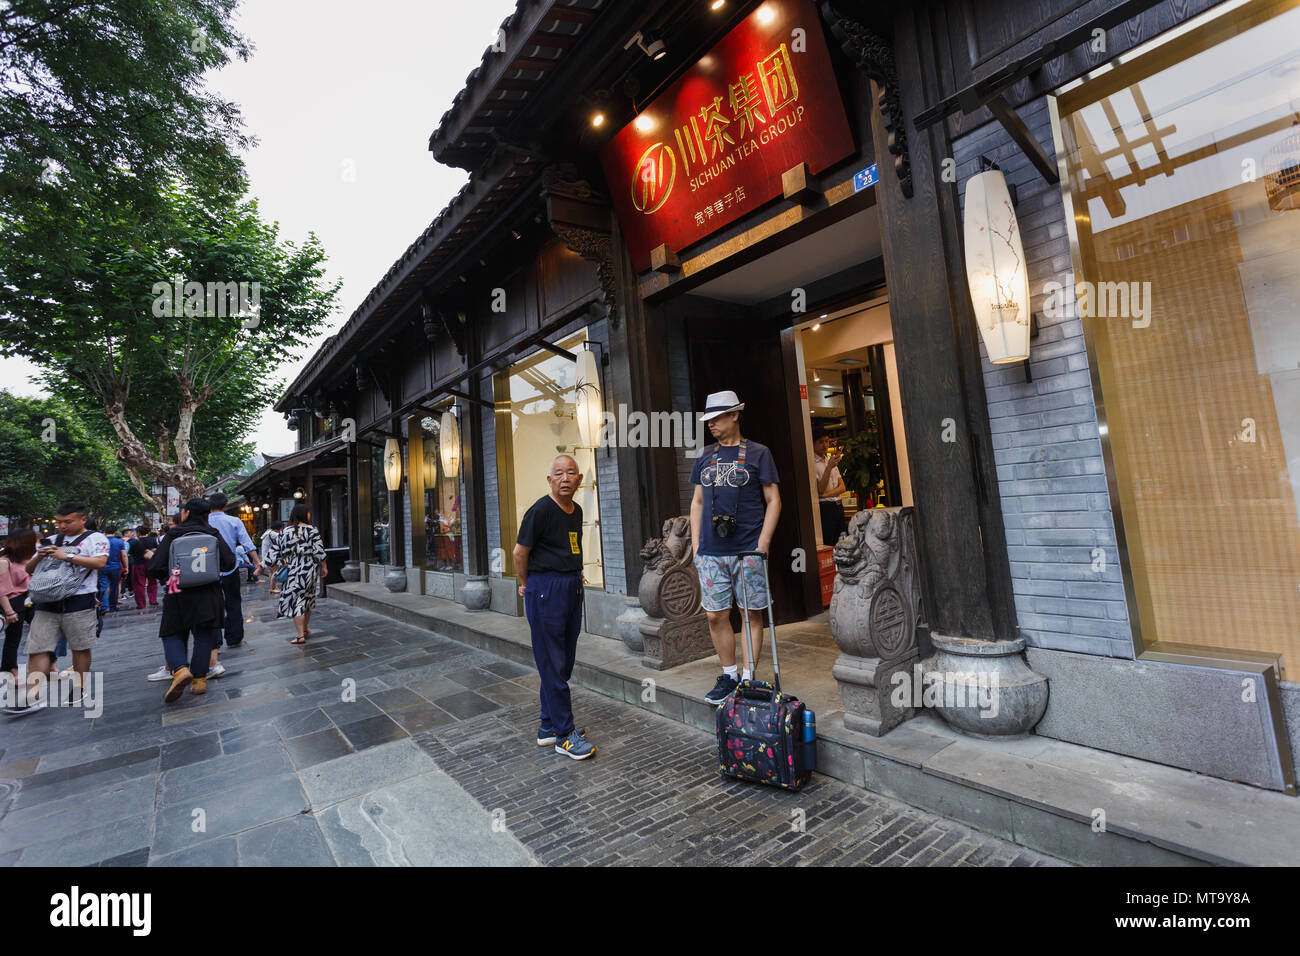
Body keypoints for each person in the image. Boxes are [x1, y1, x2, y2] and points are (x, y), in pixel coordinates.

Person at [689, 390, 782, 705]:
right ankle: (729, 674)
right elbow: (698, 501)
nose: (711, 424)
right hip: (711, 552)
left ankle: (748, 677)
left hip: (749, 550)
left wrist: (763, 543)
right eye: (708, 420)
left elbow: (773, 500)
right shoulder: (704, 455)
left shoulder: (759, 453)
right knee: (716, 615)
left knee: (751, 613)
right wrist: (696, 542)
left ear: (734, 415)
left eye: (716, 418)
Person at [513, 455, 595, 761]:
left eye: (570, 473)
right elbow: (520, 552)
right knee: (552, 662)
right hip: (545, 588)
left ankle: (548, 727)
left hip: (571, 586)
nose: (564, 478)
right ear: (549, 480)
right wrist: (525, 584)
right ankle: (564, 735)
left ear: (578, 479)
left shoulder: (576, 510)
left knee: (563, 662)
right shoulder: (540, 510)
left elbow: (572, 545)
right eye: (558, 473)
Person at [4, 502, 108, 715]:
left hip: (79, 599)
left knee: (80, 646)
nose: (62, 526)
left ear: (82, 519)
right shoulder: (50, 540)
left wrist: (66, 556)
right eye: (59, 522)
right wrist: (40, 556)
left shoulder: (96, 539)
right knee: (38, 646)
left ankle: (79, 688)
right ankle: (33, 695)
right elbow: (29, 569)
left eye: (67, 522)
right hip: (46, 601)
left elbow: (99, 563)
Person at [146, 498, 236, 703]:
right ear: (206, 515)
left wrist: (168, 574)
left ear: (186, 513)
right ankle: (199, 680)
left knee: (172, 632)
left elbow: (154, 567)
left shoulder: (174, 534)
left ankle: (179, 670)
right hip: (208, 592)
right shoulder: (212, 533)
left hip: (177, 590)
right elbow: (229, 561)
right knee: (204, 634)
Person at [263, 503, 326, 645]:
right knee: (308, 598)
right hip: (309, 568)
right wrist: (324, 567)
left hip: (293, 568)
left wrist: (261, 567)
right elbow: (319, 551)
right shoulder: (312, 530)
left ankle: (300, 635)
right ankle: (304, 628)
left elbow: (274, 551)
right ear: (305, 515)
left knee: (297, 600)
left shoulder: (285, 532)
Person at [206, 491, 260, 654]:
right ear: (226, 504)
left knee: (210, 605)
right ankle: (234, 637)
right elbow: (247, 543)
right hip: (230, 568)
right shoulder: (234, 521)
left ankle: (214, 641)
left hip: (208, 569)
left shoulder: (203, 521)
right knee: (233, 603)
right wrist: (257, 562)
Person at [0, 530, 37, 690]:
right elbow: (2, 590)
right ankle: (10, 673)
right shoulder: (4, 561)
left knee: (42, 632)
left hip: (28, 599)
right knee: (13, 638)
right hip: (13, 602)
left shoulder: (25, 559)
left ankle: (49, 665)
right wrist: (9, 612)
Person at [813, 428, 847, 546]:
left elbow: (842, 487)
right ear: (813, 444)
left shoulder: (829, 459)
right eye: (821, 442)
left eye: (827, 441)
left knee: (842, 542)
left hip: (838, 505)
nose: (825, 445)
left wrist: (826, 494)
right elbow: (820, 489)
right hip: (825, 508)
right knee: (829, 543)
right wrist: (828, 468)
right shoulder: (812, 462)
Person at [129, 525, 159, 610]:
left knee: (139, 585)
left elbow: (130, 554)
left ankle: (141, 604)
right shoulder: (153, 540)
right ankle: (153, 600)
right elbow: (157, 550)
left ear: (138, 533)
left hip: (138, 564)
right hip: (151, 564)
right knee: (152, 582)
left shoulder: (134, 542)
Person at [98, 526, 127, 613]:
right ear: (115, 532)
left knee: (103, 586)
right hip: (115, 567)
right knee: (114, 587)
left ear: (105, 532)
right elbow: (124, 555)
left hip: (102, 566)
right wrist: (126, 567)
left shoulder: (100, 541)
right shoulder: (119, 541)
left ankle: (103, 607)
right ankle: (112, 606)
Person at [261, 521, 283, 593]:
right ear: (278, 528)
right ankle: (272, 588)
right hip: (271, 556)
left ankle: (273, 587)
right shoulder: (273, 534)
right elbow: (283, 538)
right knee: (275, 571)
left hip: (266, 556)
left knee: (271, 571)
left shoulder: (268, 532)